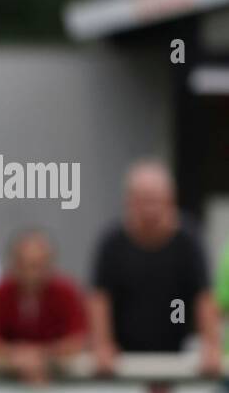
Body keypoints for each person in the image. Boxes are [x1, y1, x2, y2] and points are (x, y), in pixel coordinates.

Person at [90, 158, 220, 377]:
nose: (150, 210)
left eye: (156, 201)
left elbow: (203, 297)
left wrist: (211, 345)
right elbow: (99, 299)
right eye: (143, 201)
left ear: (170, 201)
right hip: (122, 359)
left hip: (177, 352)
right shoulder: (112, 243)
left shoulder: (187, 242)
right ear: (129, 202)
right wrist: (102, 344)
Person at [0, 230, 87, 383]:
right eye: (26, 265)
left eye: (39, 265)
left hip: (60, 384)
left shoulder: (67, 293)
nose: (32, 273)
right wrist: (16, 355)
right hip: (5, 386)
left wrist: (40, 356)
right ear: (14, 264)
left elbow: (78, 340)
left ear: (50, 264)